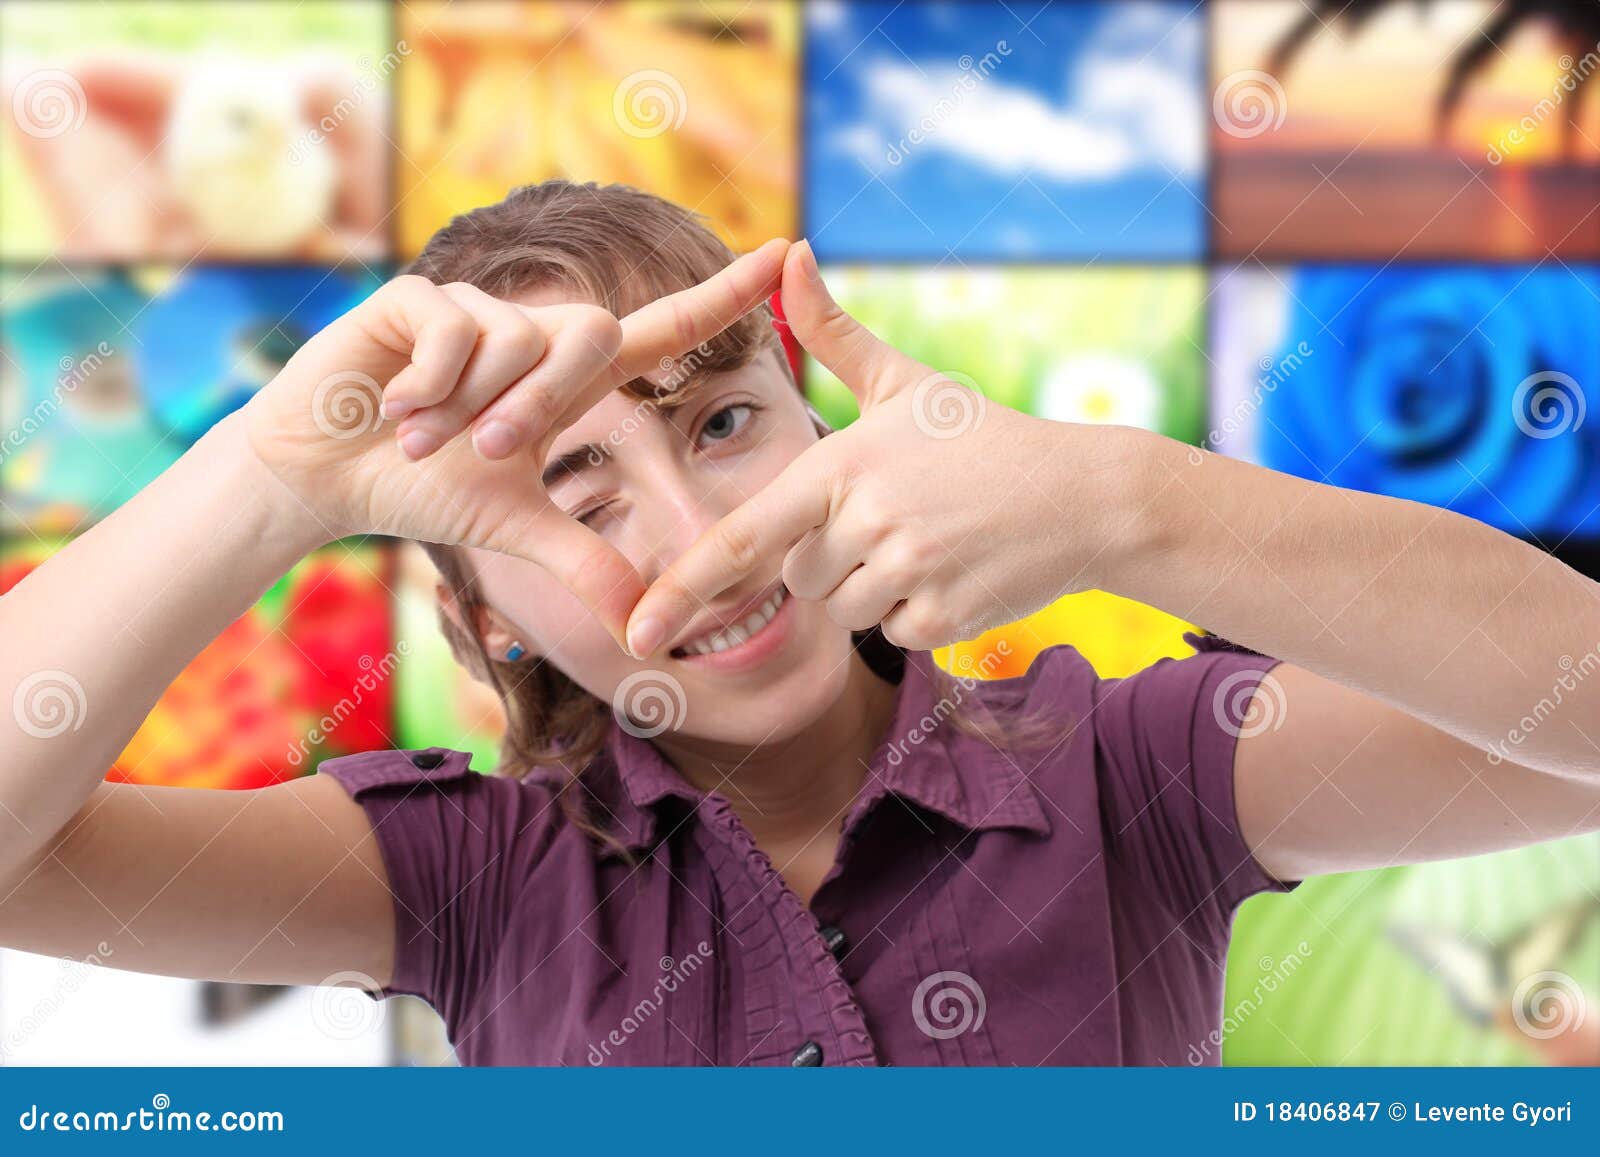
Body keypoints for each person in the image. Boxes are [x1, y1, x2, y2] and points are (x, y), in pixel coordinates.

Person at [1, 182, 1596, 1066]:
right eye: (578, 492)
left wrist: (1127, 503)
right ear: (483, 623)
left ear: (832, 435)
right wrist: (268, 483)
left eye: (721, 425)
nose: (704, 541)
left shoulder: (1131, 770)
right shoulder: (464, 870)